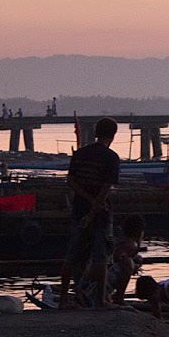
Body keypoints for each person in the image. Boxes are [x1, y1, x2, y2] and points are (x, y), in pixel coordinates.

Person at [56, 117, 121, 308]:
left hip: (78, 210)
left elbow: (71, 181)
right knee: (101, 257)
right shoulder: (111, 158)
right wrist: (93, 210)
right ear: (113, 135)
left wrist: (86, 201)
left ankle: (62, 300)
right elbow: (105, 190)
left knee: (72, 256)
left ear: (95, 133)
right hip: (100, 215)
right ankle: (100, 299)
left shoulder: (80, 154)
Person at [105, 214, 146, 306]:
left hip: (106, 276)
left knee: (137, 259)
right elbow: (117, 256)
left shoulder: (124, 241)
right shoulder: (130, 244)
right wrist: (133, 266)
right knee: (130, 263)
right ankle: (119, 297)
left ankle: (110, 295)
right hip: (106, 277)